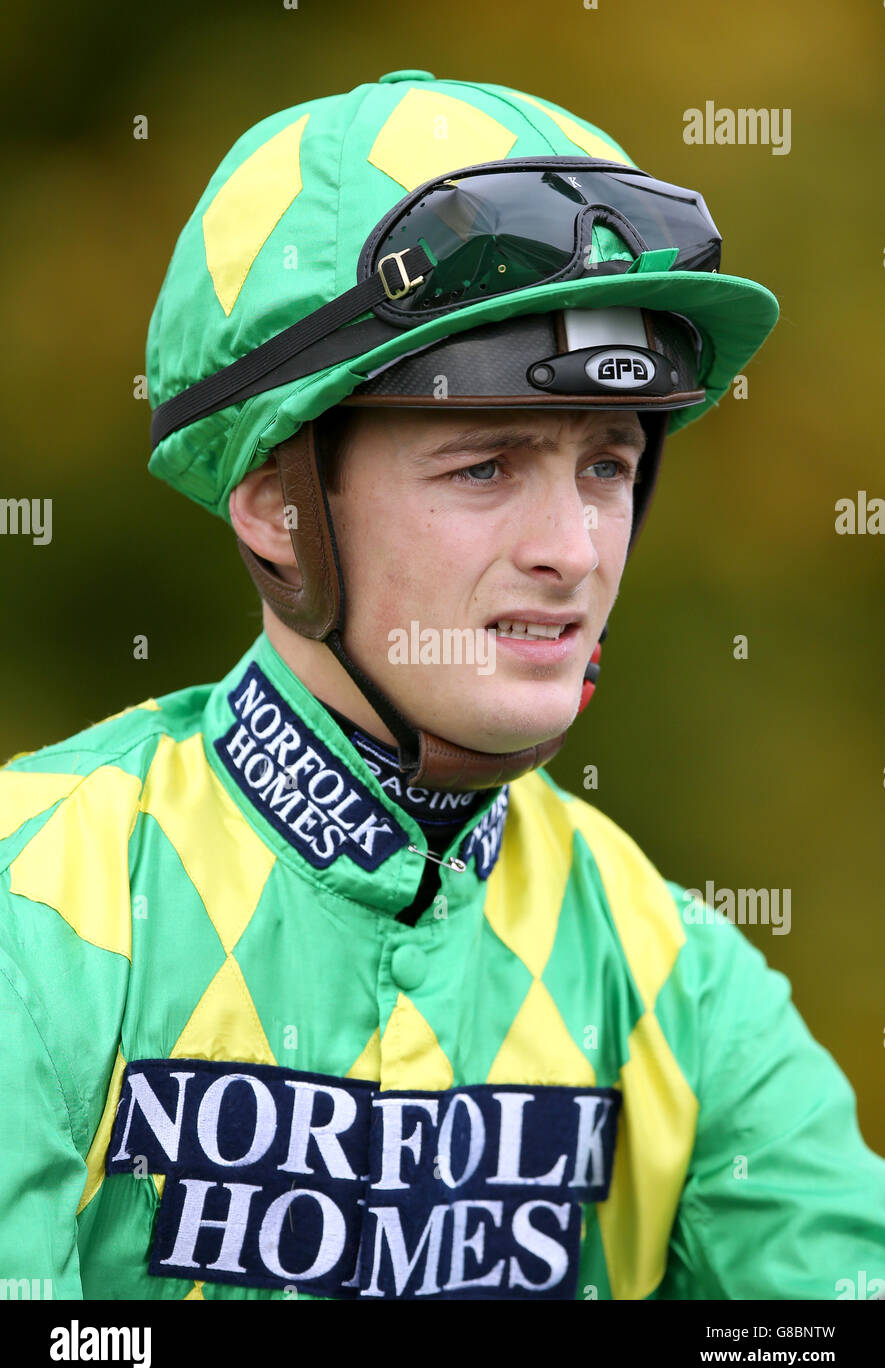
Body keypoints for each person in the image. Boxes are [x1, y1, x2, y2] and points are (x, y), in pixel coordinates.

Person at [1, 70, 883, 1303]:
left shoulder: (675, 971)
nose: (574, 551)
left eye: (607, 466)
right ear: (275, 504)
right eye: (484, 466)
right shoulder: (32, 904)